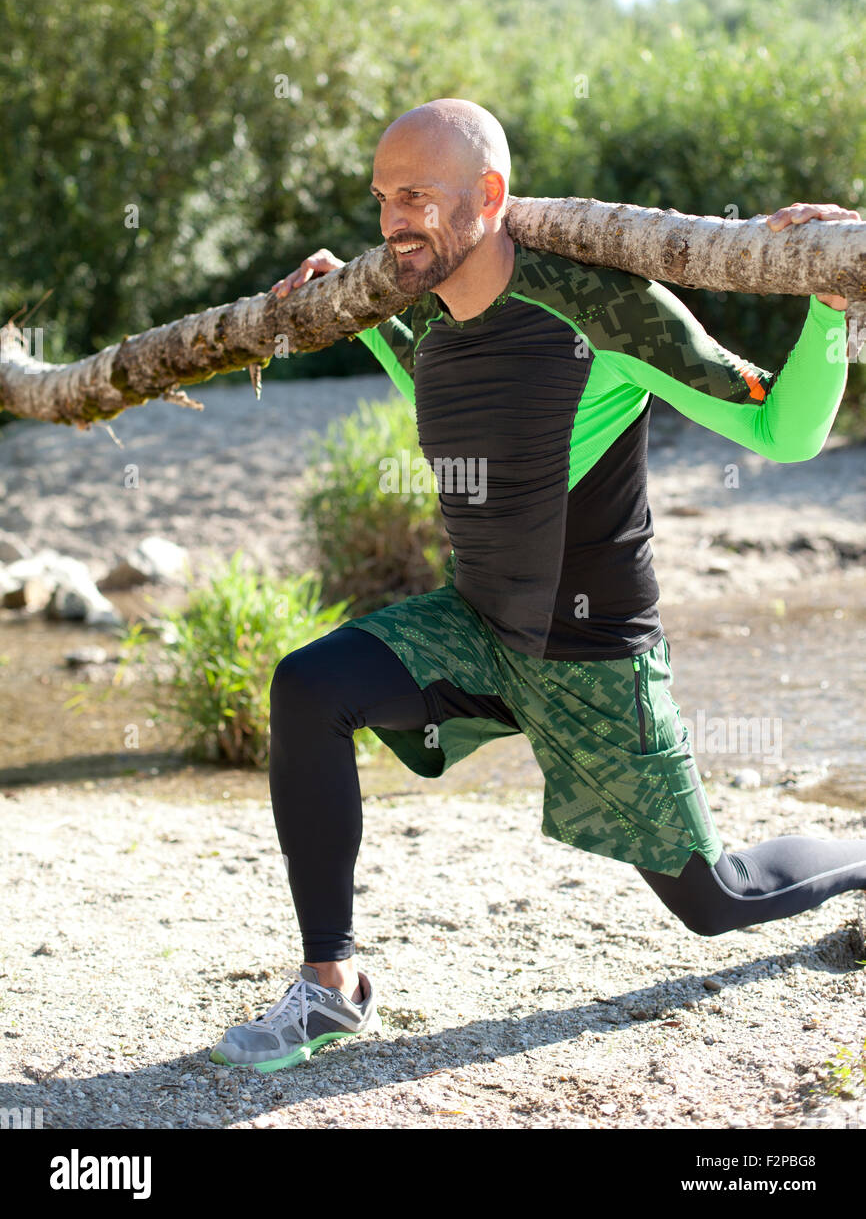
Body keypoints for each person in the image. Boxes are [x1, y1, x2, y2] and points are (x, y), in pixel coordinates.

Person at [210, 98, 865, 1073]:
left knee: (714, 899)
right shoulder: (423, 309)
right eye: (383, 196)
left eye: (417, 196)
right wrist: (345, 316)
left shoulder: (606, 309)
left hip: (593, 662)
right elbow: (449, 396)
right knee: (308, 685)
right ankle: (328, 987)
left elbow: (783, 433)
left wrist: (824, 299)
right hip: (473, 627)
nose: (393, 220)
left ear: (487, 196)